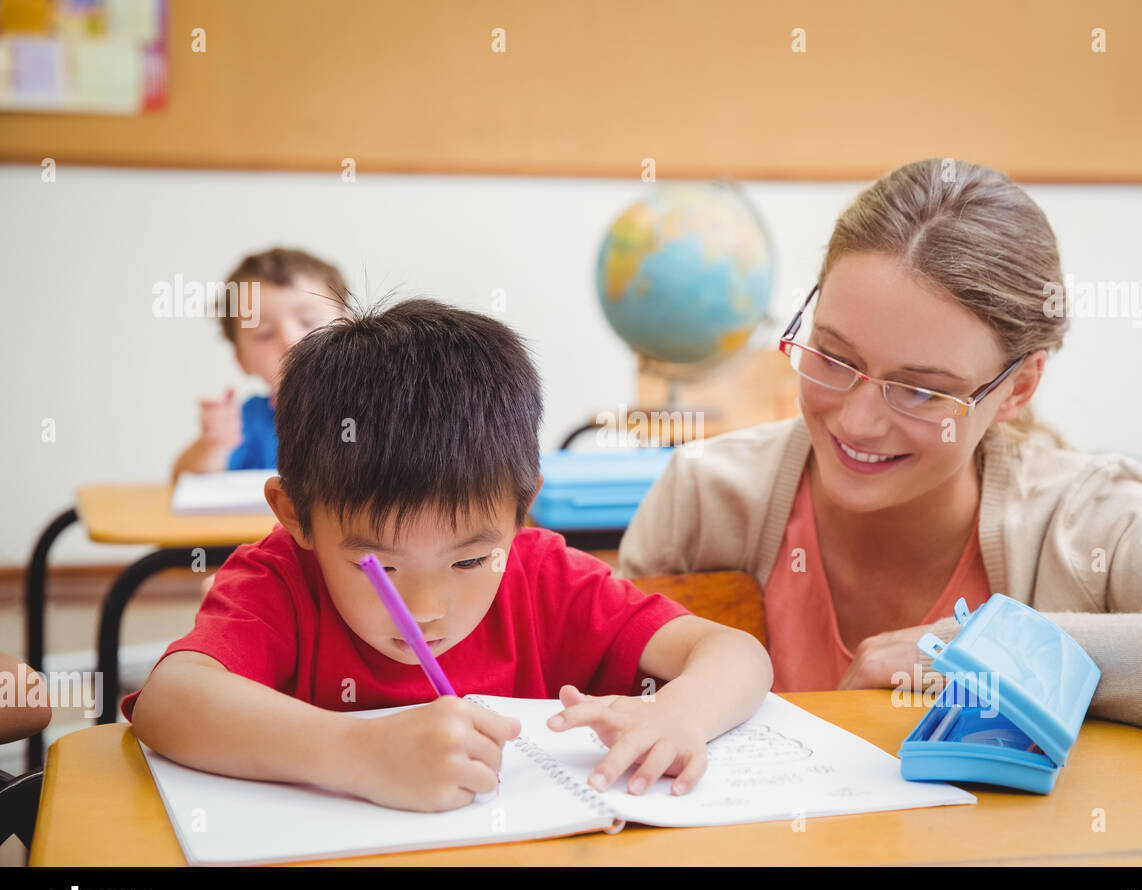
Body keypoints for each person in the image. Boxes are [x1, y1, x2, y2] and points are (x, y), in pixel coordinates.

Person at [618, 158, 1142, 748]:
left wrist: (1004, 656)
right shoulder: (705, 497)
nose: (856, 420)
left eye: (920, 391)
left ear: (1017, 389)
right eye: (831, 355)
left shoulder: (1091, 526)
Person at [127, 299, 773, 812]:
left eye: (468, 562)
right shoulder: (283, 579)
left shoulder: (540, 574)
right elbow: (170, 700)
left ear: (521, 512)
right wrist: (357, 753)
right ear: (295, 514)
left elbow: (736, 653)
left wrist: (679, 714)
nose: (426, 610)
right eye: (377, 568)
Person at [171, 247, 349, 480]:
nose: (290, 341)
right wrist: (214, 445)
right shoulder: (249, 422)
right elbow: (184, 477)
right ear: (243, 361)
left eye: (308, 321)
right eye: (264, 334)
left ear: (352, 328)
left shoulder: (380, 407)